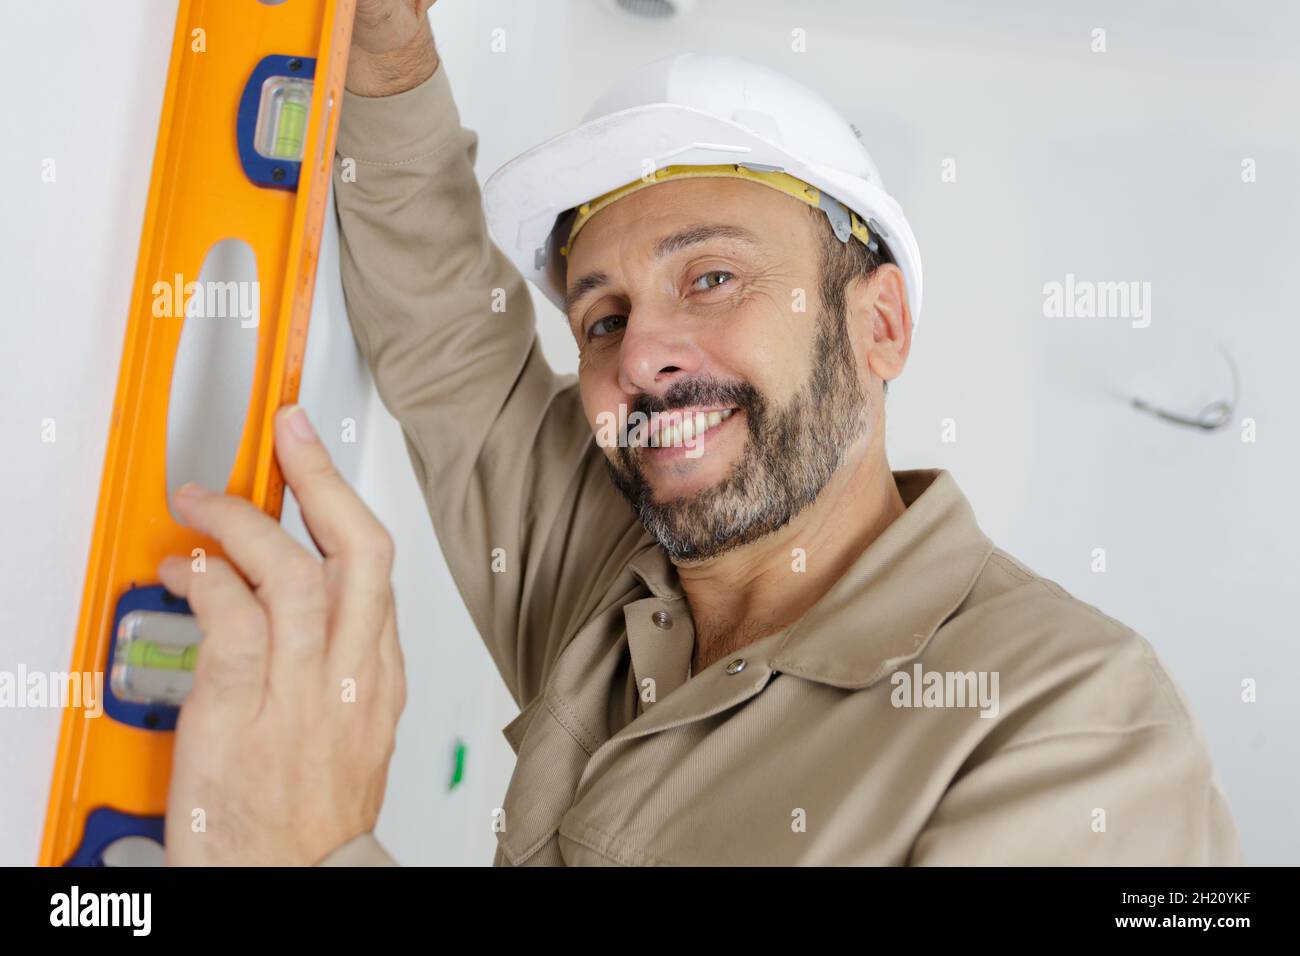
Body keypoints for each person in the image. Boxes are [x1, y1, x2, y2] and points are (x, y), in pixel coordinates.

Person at [161, 0, 1241, 865]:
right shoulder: (613, 588)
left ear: (879, 323)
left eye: (711, 277)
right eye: (602, 317)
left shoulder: (1075, 721)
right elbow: (453, 334)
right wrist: (386, 45)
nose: (640, 356)